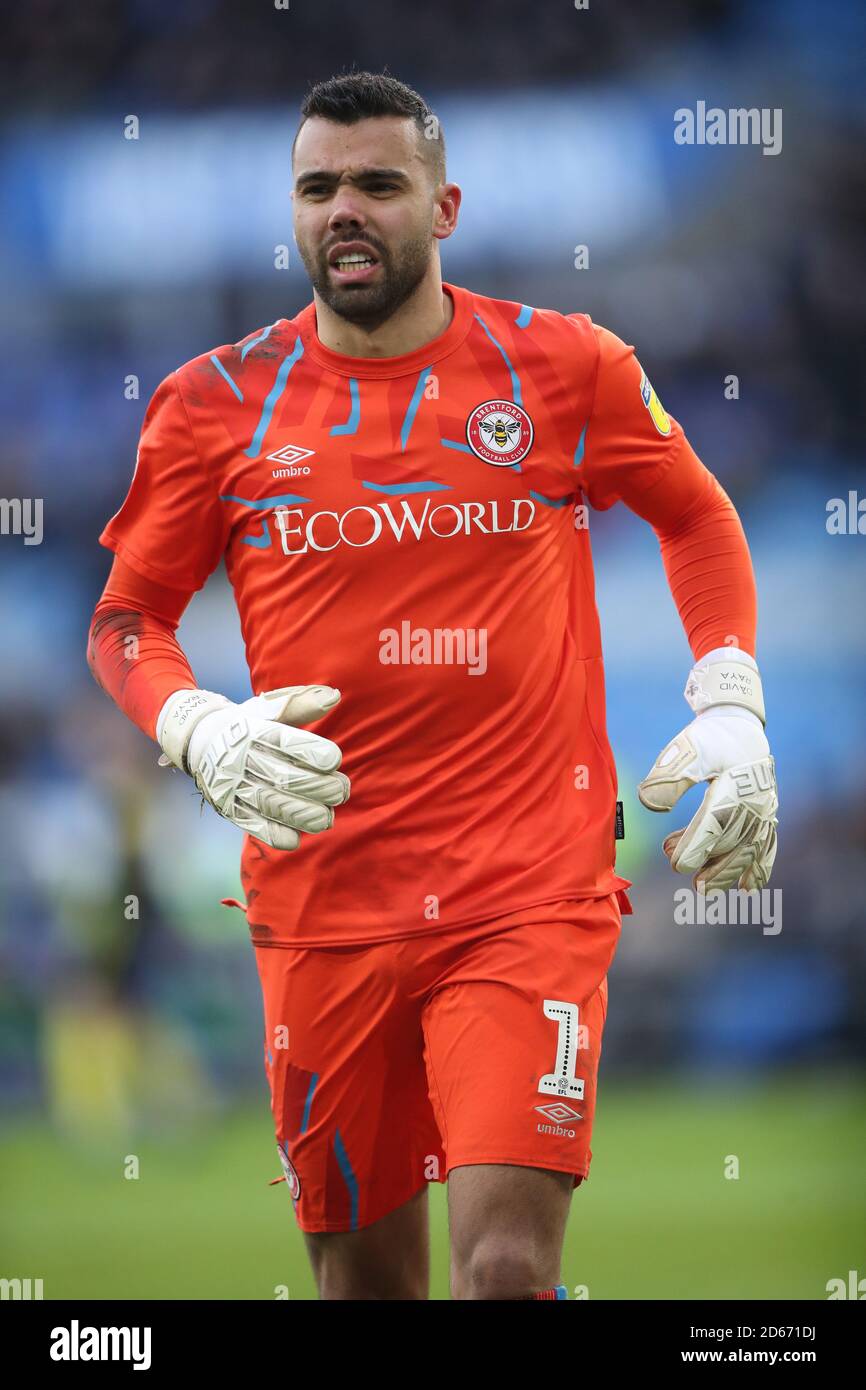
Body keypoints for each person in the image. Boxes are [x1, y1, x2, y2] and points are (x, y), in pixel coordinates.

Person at [87, 71, 778, 1301]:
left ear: (442, 205)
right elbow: (129, 622)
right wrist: (190, 723)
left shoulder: (564, 368)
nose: (343, 209)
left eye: (376, 184)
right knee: (366, 1288)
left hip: (526, 891)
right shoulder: (212, 406)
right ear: (291, 213)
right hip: (320, 902)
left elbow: (697, 516)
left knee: (504, 1270)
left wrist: (727, 692)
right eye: (316, 188)